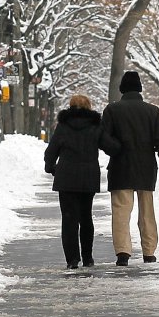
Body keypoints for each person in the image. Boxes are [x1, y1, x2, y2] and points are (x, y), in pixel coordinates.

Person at [102, 71, 159, 266]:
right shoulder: (152, 112)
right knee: (147, 211)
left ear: (122, 90)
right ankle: (149, 251)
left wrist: (116, 149)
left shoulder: (112, 110)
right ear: (140, 89)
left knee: (121, 211)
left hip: (120, 167)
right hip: (145, 168)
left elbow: (102, 139)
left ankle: (123, 252)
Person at [43, 94, 120, 269]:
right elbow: (112, 148)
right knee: (86, 218)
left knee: (69, 219)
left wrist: (51, 167)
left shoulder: (63, 127)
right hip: (88, 178)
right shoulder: (95, 126)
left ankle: (72, 259)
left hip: (66, 178)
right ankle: (88, 257)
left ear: (70, 107)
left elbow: (51, 152)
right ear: (89, 107)